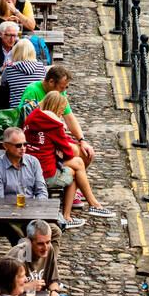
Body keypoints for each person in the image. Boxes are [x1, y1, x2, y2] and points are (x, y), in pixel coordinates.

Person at [23, 91, 112, 228]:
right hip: (45, 172)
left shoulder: (33, 116)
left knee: (77, 166)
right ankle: (80, 211)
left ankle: (87, 207)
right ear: (56, 109)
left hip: (29, 167)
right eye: (61, 111)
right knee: (77, 167)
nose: (62, 115)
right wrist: (65, 146)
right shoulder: (54, 124)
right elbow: (68, 152)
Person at [19, 66, 95, 165]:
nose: (63, 91)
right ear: (51, 82)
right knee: (76, 153)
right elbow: (28, 121)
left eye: (66, 87)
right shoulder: (32, 91)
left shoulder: (59, 92)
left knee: (86, 153)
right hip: (38, 141)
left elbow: (70, 118)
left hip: (54, 136)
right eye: (62, 87)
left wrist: (82, 140)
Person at [1, 39, 45, 105]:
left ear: (15, 52)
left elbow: (3, 83)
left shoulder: (9, 68)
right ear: (33, 52)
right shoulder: (41, 67)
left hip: (17, 109)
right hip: (37, 109)